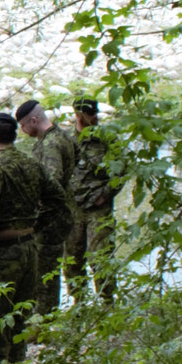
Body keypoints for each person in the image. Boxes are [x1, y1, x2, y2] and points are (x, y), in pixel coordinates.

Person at [0, 113, 69, 364]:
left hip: (1, 252)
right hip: (30, 247)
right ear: (15, 135)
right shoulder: (32, 163)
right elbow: (57, 198)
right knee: (21, 310)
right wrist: (37, 225)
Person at [16, 99, 80, 316]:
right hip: (62, 215)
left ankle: (44, 322)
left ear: (33, 121)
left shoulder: (50, 144)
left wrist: (36, 217)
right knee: (48, 271)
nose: (23, 131)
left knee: (44, 274)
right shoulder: (64, 137)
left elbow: (53, 183)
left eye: (23, 126)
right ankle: (46, 318)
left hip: (50, 221)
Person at [65, 99, 119, 305]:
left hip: (99, 206)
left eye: (95, 112)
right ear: (78, 115)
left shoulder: (107, 139)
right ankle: (78, 303)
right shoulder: (66, 141)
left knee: (101, 255)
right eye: (89, 113)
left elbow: (121, 170)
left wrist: (106, 193)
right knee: (72, 258)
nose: (94, 116)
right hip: (73, 208)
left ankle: (107, 302)